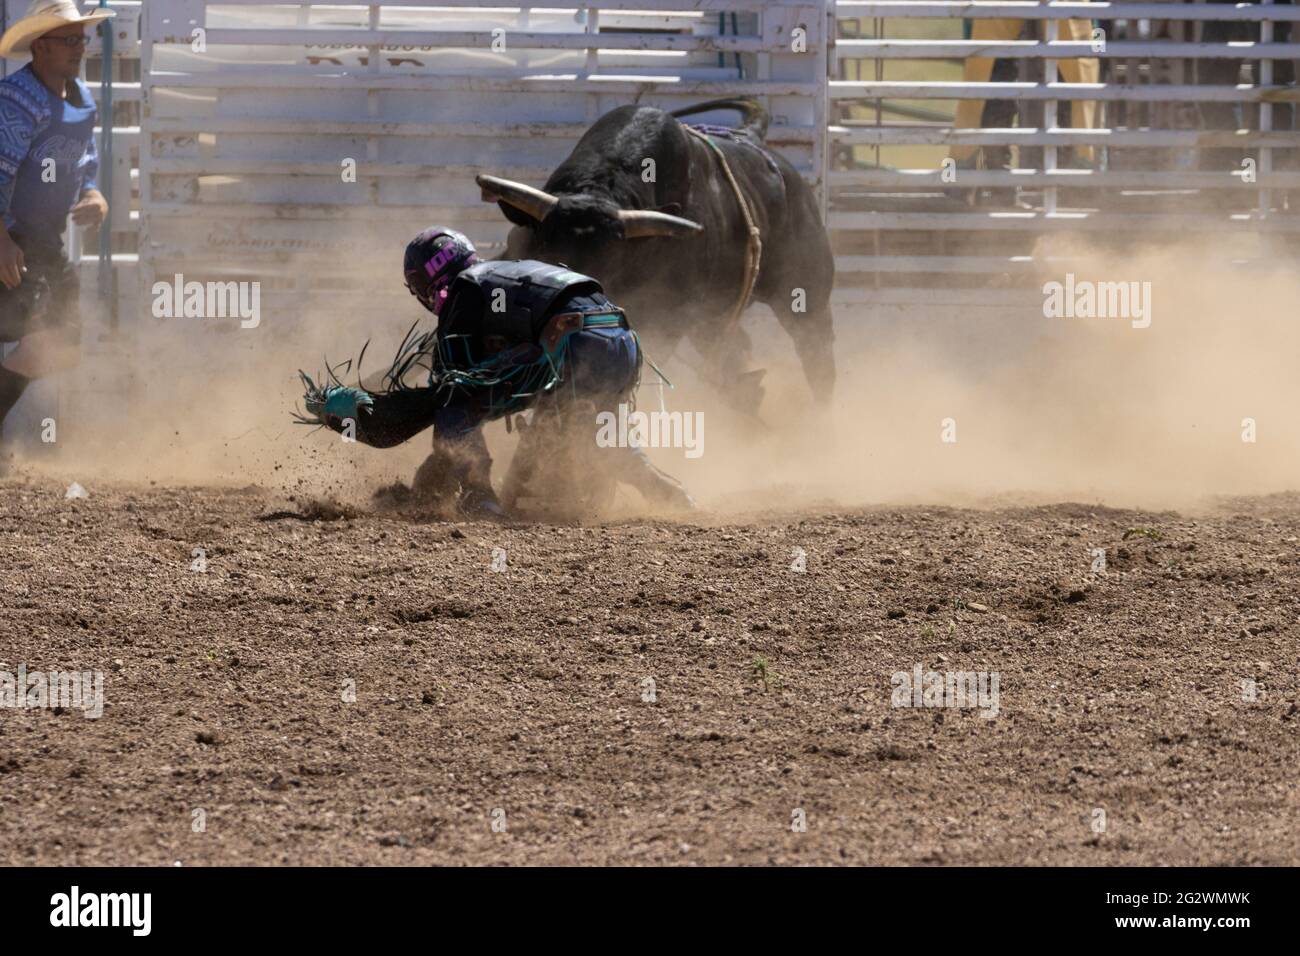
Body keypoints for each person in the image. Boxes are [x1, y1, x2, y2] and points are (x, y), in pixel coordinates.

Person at [296, 227, 695, 519]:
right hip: (621, 342)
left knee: (455, 399)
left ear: (428, 281)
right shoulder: (508, 278)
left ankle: (478, 496)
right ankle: (668, 495)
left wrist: (422, 478)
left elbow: (448, 401)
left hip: (574, 343)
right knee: (557, 469)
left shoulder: (466, 292)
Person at [0, 0, 114, 471]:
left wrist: (95, 195)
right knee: (43, 343)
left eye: (82, 39)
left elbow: (83, 160)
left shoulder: (79, 99)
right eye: (69, 39)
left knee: (59, 344)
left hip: (42, 245)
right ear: (41, 46)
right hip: (14, 240)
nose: (80, 48)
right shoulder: (16, 100)